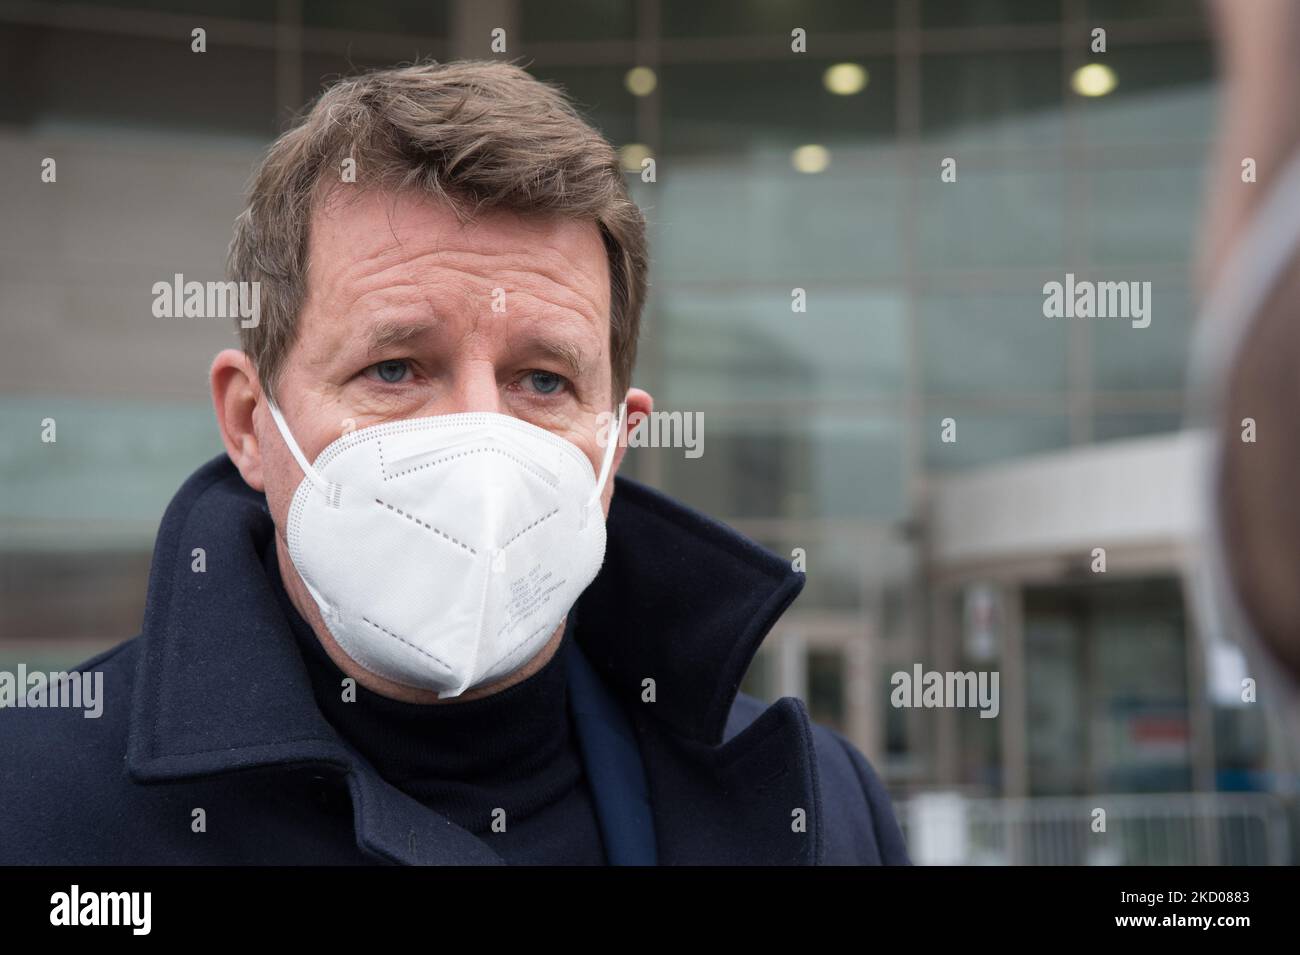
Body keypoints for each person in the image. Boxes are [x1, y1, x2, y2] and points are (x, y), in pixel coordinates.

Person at [0, 59, 909, 866]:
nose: (479, 438)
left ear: (617, 442)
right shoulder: (35, 806)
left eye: (543, 380)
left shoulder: (822, 811)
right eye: (394, 368)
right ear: (250, 423)